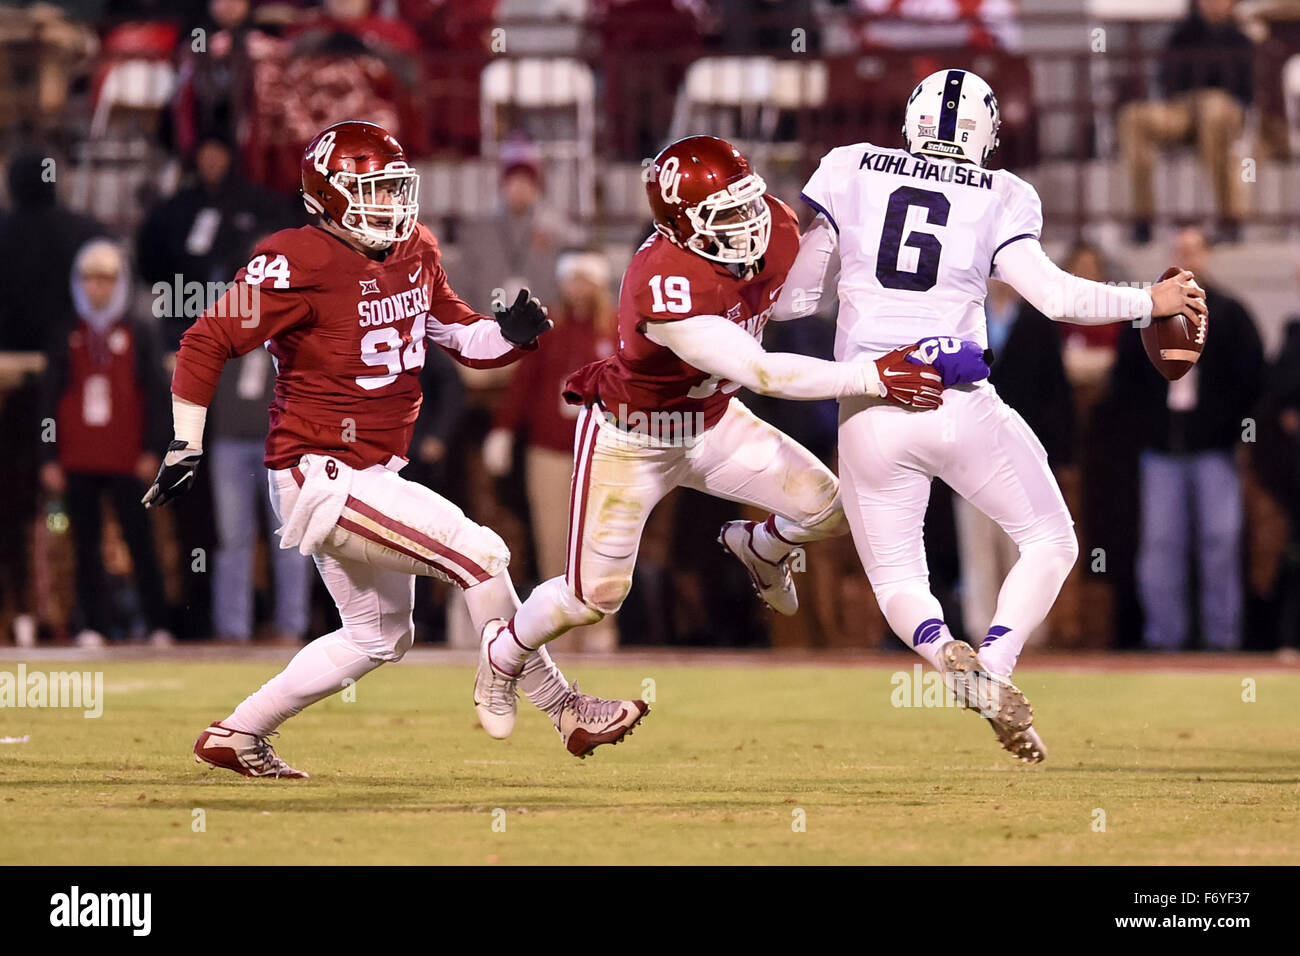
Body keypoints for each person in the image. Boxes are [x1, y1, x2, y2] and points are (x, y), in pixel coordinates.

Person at [145, 121, 640, 778]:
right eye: (371, 191)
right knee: (481, 554)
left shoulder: (416, 249)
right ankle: (565, 708)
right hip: (321, 471)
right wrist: (186, 444)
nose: (389, 205)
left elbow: (463, 338)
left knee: (380, 636)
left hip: (372, 472)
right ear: (330, 197)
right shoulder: (299, 257)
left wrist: (511, 335)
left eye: (393, 189)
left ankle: (238, 733)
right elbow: (206, 339)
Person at [782, 69, 1208, 762]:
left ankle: (939, 646)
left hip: (866, 401)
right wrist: (1146, 302)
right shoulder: (1003, 192)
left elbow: (795, 303)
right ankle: (997, 664)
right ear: (986, 134)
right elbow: (1055, 298)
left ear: (913, 123)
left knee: (898, 579)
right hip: (956, 397)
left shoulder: (848, 166)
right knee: (1052, 540)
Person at [471, 135, 948, 738]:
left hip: (713, 421)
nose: (749, 224)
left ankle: (763, 546)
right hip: (634, 438)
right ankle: (503, 653)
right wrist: (874, 376)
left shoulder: (771, 223)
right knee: (594, 597)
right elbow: (761, 371)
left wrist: (830, 239)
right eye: (726, 216)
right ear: (680, 227)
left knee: (830, 507)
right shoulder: (663, 281)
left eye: (748, 203)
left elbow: (790, 301)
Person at [1111, 226, 1263, 651]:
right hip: (1160, 453)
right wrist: (1148, 429)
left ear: (1208, 256)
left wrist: (1227, 431)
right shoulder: (1146, 315)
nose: (1188, 258)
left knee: (1220, 542)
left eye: (1195, 250)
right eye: (1181, 250)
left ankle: (1223, 640)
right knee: (1161, 546)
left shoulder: (1231, 313)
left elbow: (1251, 382)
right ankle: (1164, 639)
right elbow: (1126, 382)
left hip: (1213, 452)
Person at [483, 249, 621, 652]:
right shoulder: (549, 332)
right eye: (571, 280)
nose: (577, 289)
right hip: (549, 453)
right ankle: (558, 630)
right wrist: (504, 431)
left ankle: (599, 629)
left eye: (585, 280)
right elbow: (523, 385)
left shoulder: (615, 331)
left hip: (601, 453)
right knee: (553, 540)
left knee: (602, 542)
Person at [39, 240, 173, 647]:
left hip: (127, 456)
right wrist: (49, 454)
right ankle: (92, 623)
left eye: (106, 279)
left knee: (140, 540)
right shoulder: (66, 331)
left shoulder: (139, 330)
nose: (97, 288)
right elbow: (49, 397)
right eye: (90, 279)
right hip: (79, 456)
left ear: (119, 283)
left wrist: (153, 449)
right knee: (85, 542)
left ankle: (157, 622)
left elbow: (153, 393)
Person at [953, 279, 1075, 646]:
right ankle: (980, 632)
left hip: (1024, 453)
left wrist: (1061, 456)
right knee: (978, 549)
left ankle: (1026, 635)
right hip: (970, 453)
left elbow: (1057, 392)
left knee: (1026, 546)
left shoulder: (1038, 323)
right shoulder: (963, 319)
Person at [1119, 0, 1254, 244]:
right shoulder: (1181, 35)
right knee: (1134, 117)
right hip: (1184, 110)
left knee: (1212, 109)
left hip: (1224, 110)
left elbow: (1246, 92)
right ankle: (1142, 218)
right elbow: (1166, 80)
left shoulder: (1240, 39)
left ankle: (1228, 219)